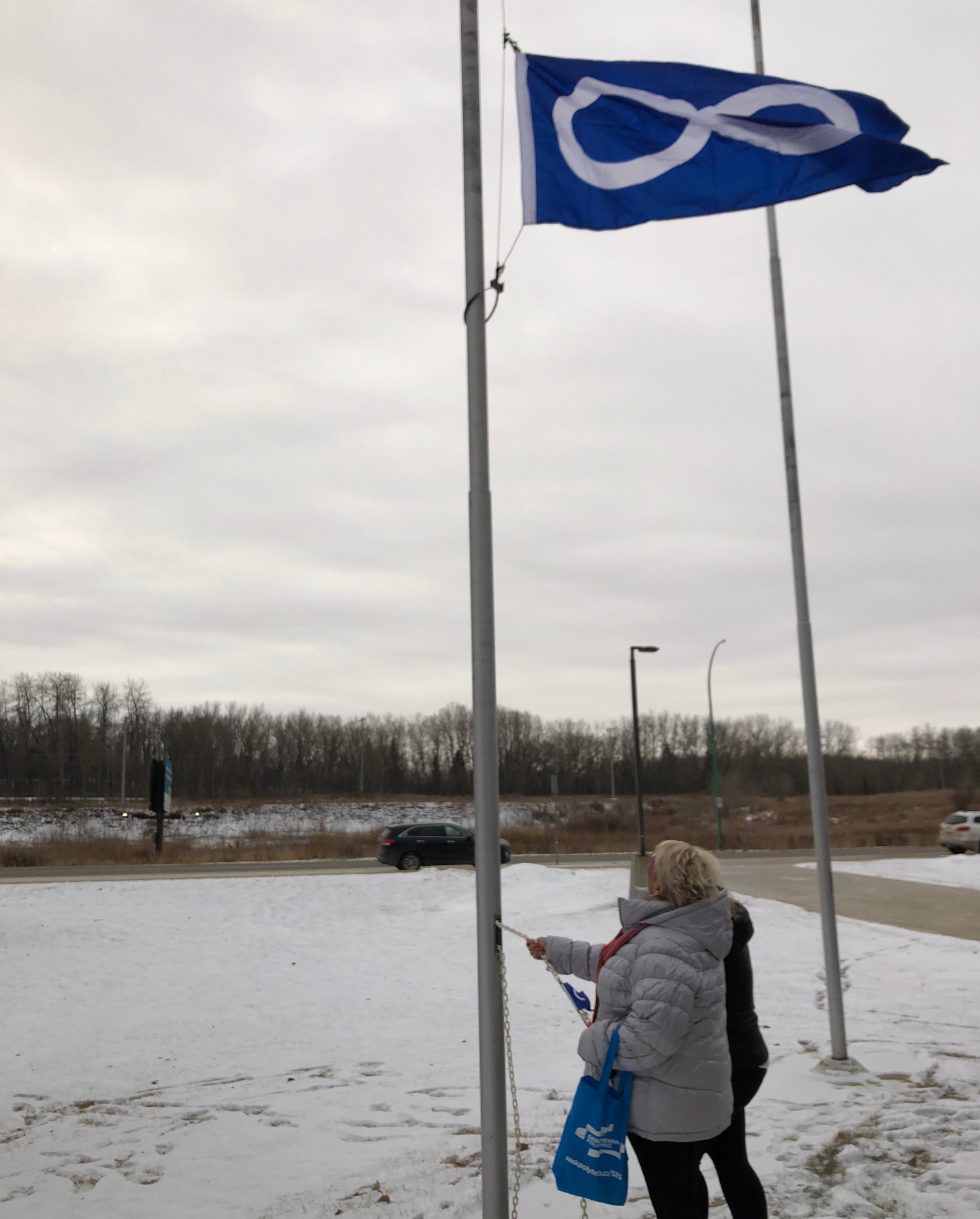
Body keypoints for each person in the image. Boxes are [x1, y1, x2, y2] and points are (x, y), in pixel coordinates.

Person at [527, 840, 733, 1219]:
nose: (645, 869)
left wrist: (593, 1040)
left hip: (668, 1107)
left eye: (651, 866)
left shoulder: (668, 944)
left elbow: (647, 1041)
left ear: (659, 886)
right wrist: (557, 950)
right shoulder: (671, 933)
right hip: (681, 1099)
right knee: (683, 1190)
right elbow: (623, 967)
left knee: (676, 1199)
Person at [698, 898, 769, 1218]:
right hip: (743, 1061)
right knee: (731, 1161)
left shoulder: (700, 933)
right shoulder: (724, 921)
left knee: (678, 1167)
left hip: (721, 1064)